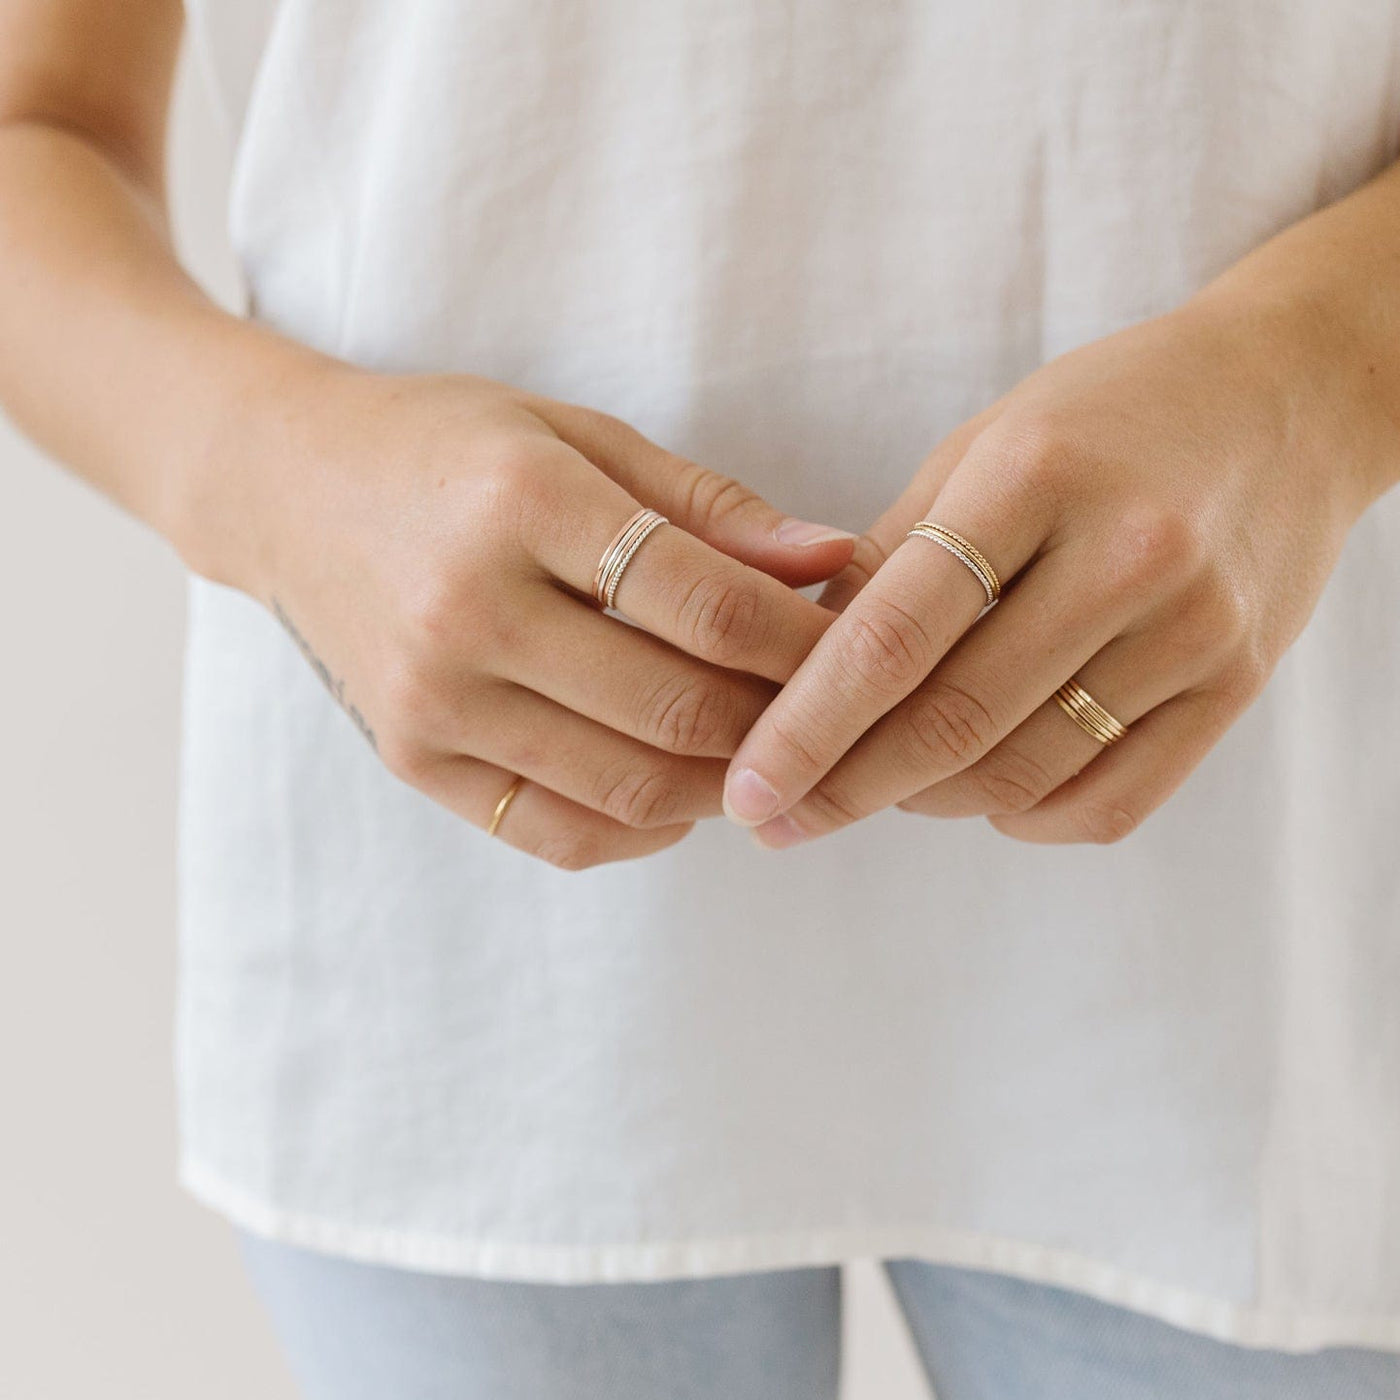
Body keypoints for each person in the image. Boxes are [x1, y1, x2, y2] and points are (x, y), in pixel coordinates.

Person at [2, 1, 1398, 1396]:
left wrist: (1320, 374)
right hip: (462, 903)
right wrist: (271, 471)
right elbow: (32, 131)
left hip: (1259, 866)